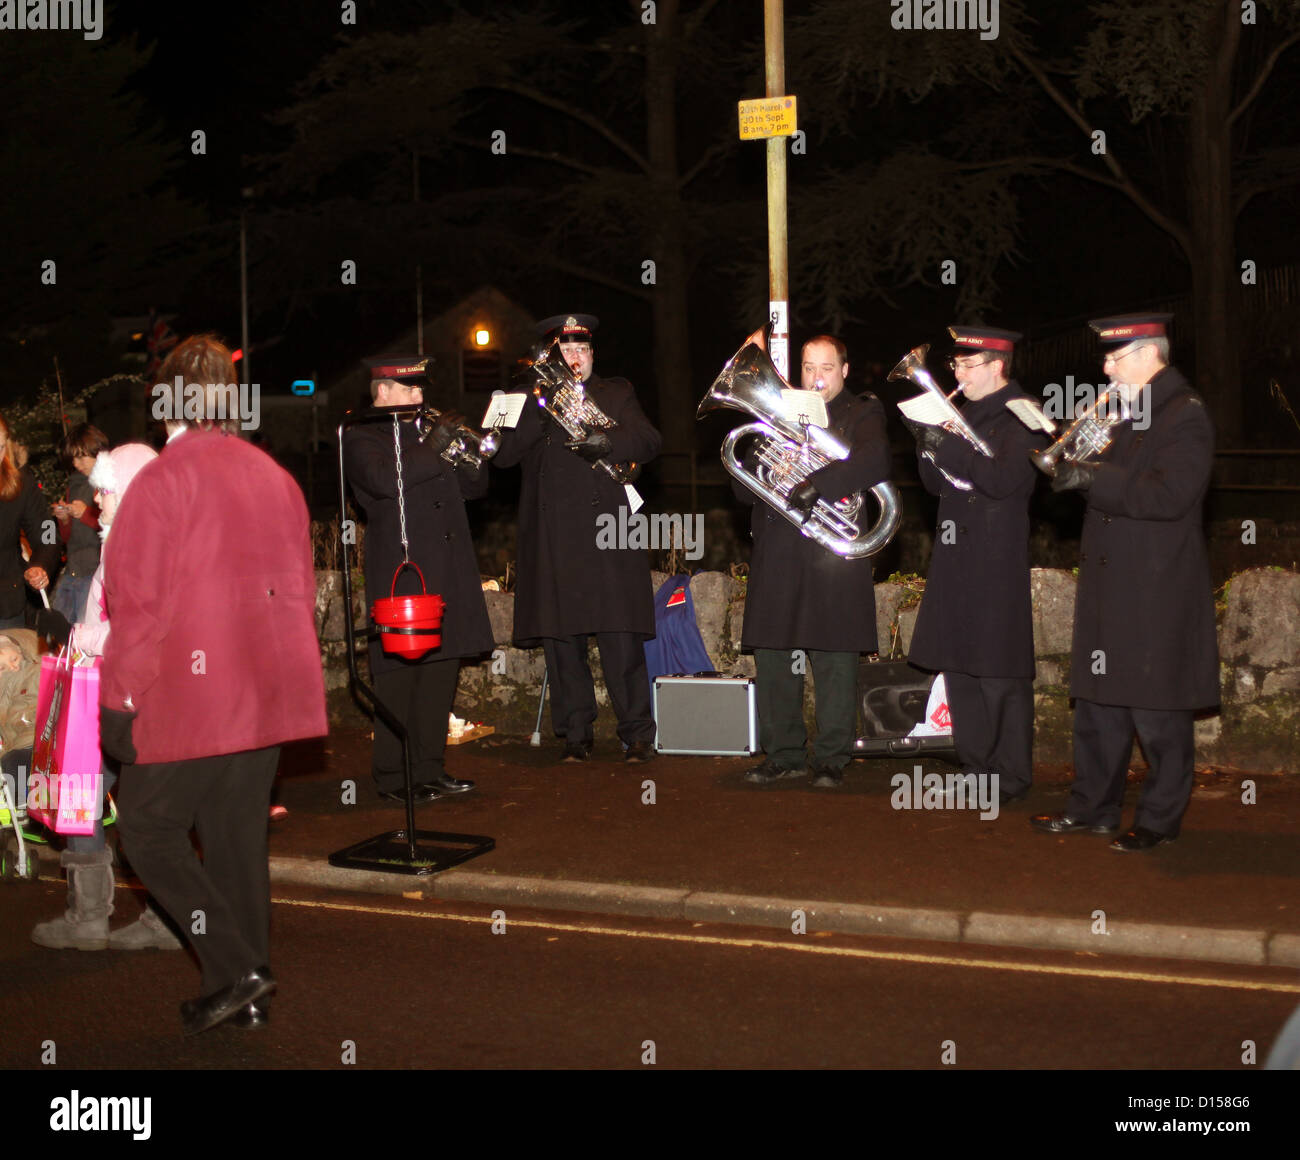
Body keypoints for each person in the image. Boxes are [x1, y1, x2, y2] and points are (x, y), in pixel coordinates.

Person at [100, 334, 327, 1034]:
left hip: (189, 700)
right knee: (234, 847)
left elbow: (138, 609)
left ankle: (234, 965)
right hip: (264, 698)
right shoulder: (275, 477)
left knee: (146, 832)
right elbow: (300, 589)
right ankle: (246, 995)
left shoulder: (162, 483)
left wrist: (118, 702)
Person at [1030, 313, 1218, 851]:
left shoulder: (1185, 414)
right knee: (1099, 704)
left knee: (1158, 711)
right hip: (1112, 580)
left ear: (1148, 355)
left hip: (1156, 586)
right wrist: (1071, 458)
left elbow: (1168, 495)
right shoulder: (1126, 412)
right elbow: (1105, 483)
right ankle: (1093, 808)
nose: (1106, 369)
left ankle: (1159, 820)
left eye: (1115, 358)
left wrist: (1090, 475)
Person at [30, 443, 184, 951]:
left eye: (107, 487)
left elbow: (129, 633)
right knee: (103, 798)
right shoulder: (130, 541)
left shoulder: (137, 549)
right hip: (126, 693)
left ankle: (96, 915)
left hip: (131, 697)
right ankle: (147, 917)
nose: (97, 497)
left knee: (98, 796)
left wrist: (71, 634)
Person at [493, 314, 662, 764]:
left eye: (582, 350)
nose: (575, 358)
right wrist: (538, 405)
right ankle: (575, 735)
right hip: (554, 536)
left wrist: (605, 442)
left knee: (620, 636)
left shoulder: (616, 393)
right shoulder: (531, 399)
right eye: (565, 351)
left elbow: (648, 439)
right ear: (552, 358)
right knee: (562, 640)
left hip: (609, 531)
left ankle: (638, 735)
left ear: (593, 355)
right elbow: (504, 456)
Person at [738, 335, 892, 788]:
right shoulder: (781, 411)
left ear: (845, 370)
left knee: (834, 658)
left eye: (826, 367)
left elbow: (877, 458)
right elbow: (739, 485)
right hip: (779, 552)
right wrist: (761, 442)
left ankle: (831, 759)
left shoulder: (862, 411)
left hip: (831, 555)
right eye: (808, 367)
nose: (817, 376)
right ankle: (782, 754)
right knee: (774, 656)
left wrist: (818, 484)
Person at [343, 355, 493, 802]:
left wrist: (470, 455)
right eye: (410, 390)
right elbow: (386, 479)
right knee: (399, 674)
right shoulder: (360, 436)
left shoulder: (426, 435)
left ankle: (429, 768)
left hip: (447, 566)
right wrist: (435, 444)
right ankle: (392, 775)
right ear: (383, 391)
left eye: (421, 389)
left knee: (441, 671)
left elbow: (476, 489)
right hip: (402, 571)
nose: (420, 396)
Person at [906, 327, 1045, 806]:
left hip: (994, 554)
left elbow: (1002, 480)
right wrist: (925, 443)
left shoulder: (1022, 415)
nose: (959, 374)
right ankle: (975, 764)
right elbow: (935, 484)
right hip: (955, 551)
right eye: (957, 367)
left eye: (968, 365)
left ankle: (1010, 774)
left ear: (996, 366)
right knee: (960, 664)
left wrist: (948, 446)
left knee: (998, 668)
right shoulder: (963, 413)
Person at [0, 413, 60, 630]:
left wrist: (40, 565)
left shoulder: (22, 484)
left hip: (6, 606)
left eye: (0, 448)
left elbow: (48, 532)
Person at [49, 424, 108, 631]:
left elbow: (115, 530)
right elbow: (67, 538)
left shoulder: (109, 482)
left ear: (97, 452)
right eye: (73, 458)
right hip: (73, 571)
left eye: (82, 457)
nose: (76, 463)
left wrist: (86, 514)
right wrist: (64, 519)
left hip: (95, 574)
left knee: (86, 636)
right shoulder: (74, 484)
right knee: (58, 634)